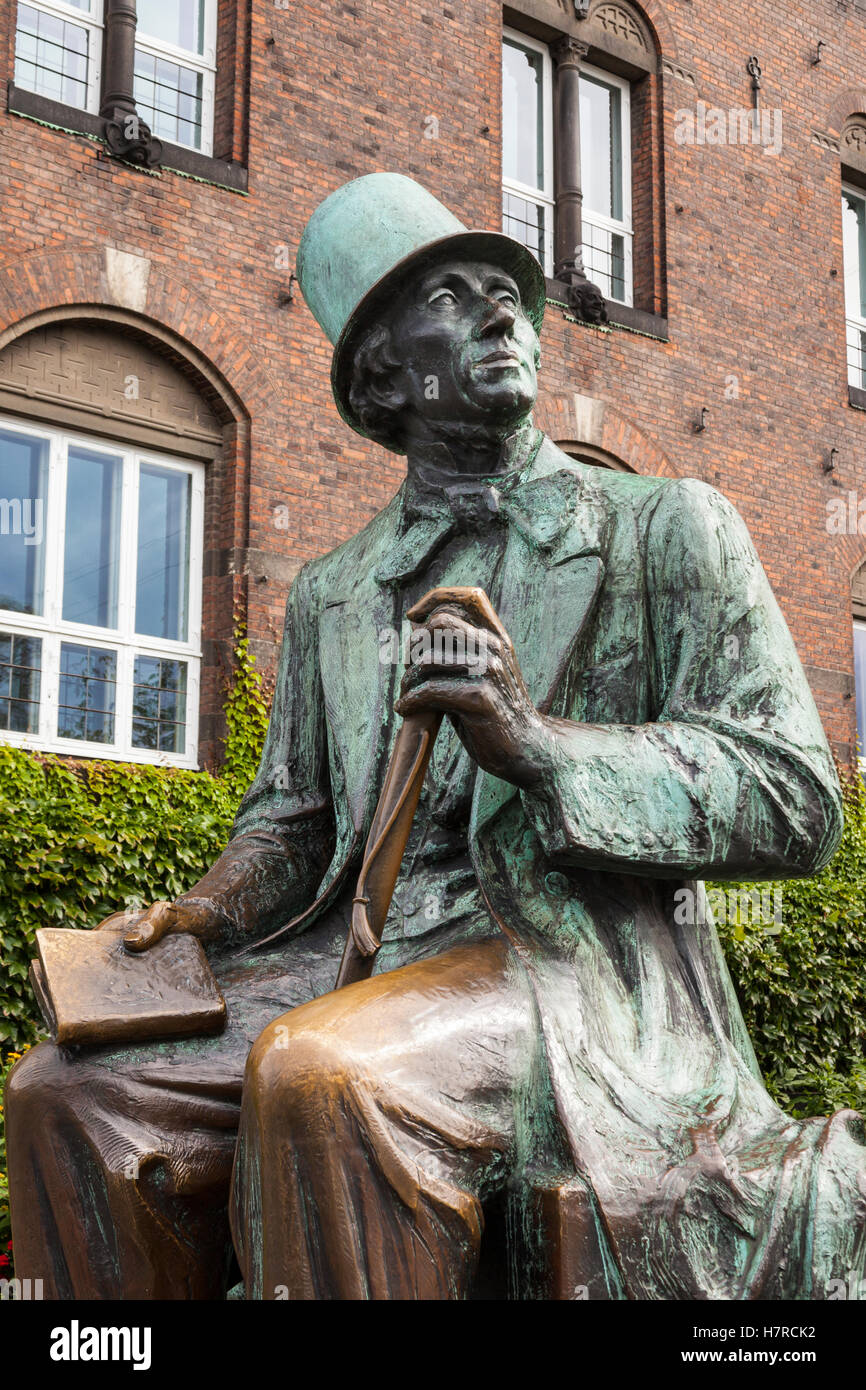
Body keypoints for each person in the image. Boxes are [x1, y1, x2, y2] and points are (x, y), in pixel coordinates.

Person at [6, 174, 863, 1301]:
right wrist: (206, 910)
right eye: (451, 298)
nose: (501, 312)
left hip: (566, 973)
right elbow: (293, 821)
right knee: (63, 1097)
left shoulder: (667, 529)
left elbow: (794, 794)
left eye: (504, 291)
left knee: (324, 1074)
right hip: (353, 960)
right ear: (382, 374)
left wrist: (539, 746)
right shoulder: (332, 594)